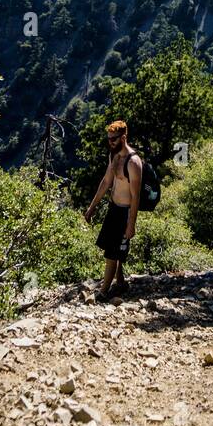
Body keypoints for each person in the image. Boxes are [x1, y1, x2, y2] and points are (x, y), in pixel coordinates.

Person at [84, 119, 142, 301]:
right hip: (113, 208)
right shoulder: (114, 155)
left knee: (112, 253)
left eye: (114, 139)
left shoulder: (133, 163)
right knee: (112, 248)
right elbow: (106, 182)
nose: (110, 142)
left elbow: (136, 197)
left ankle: (103, 292)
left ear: (123, 137)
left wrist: (131, 224)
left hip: (124, 212)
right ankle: (120, 282)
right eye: (108, 139)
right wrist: (92, 207)